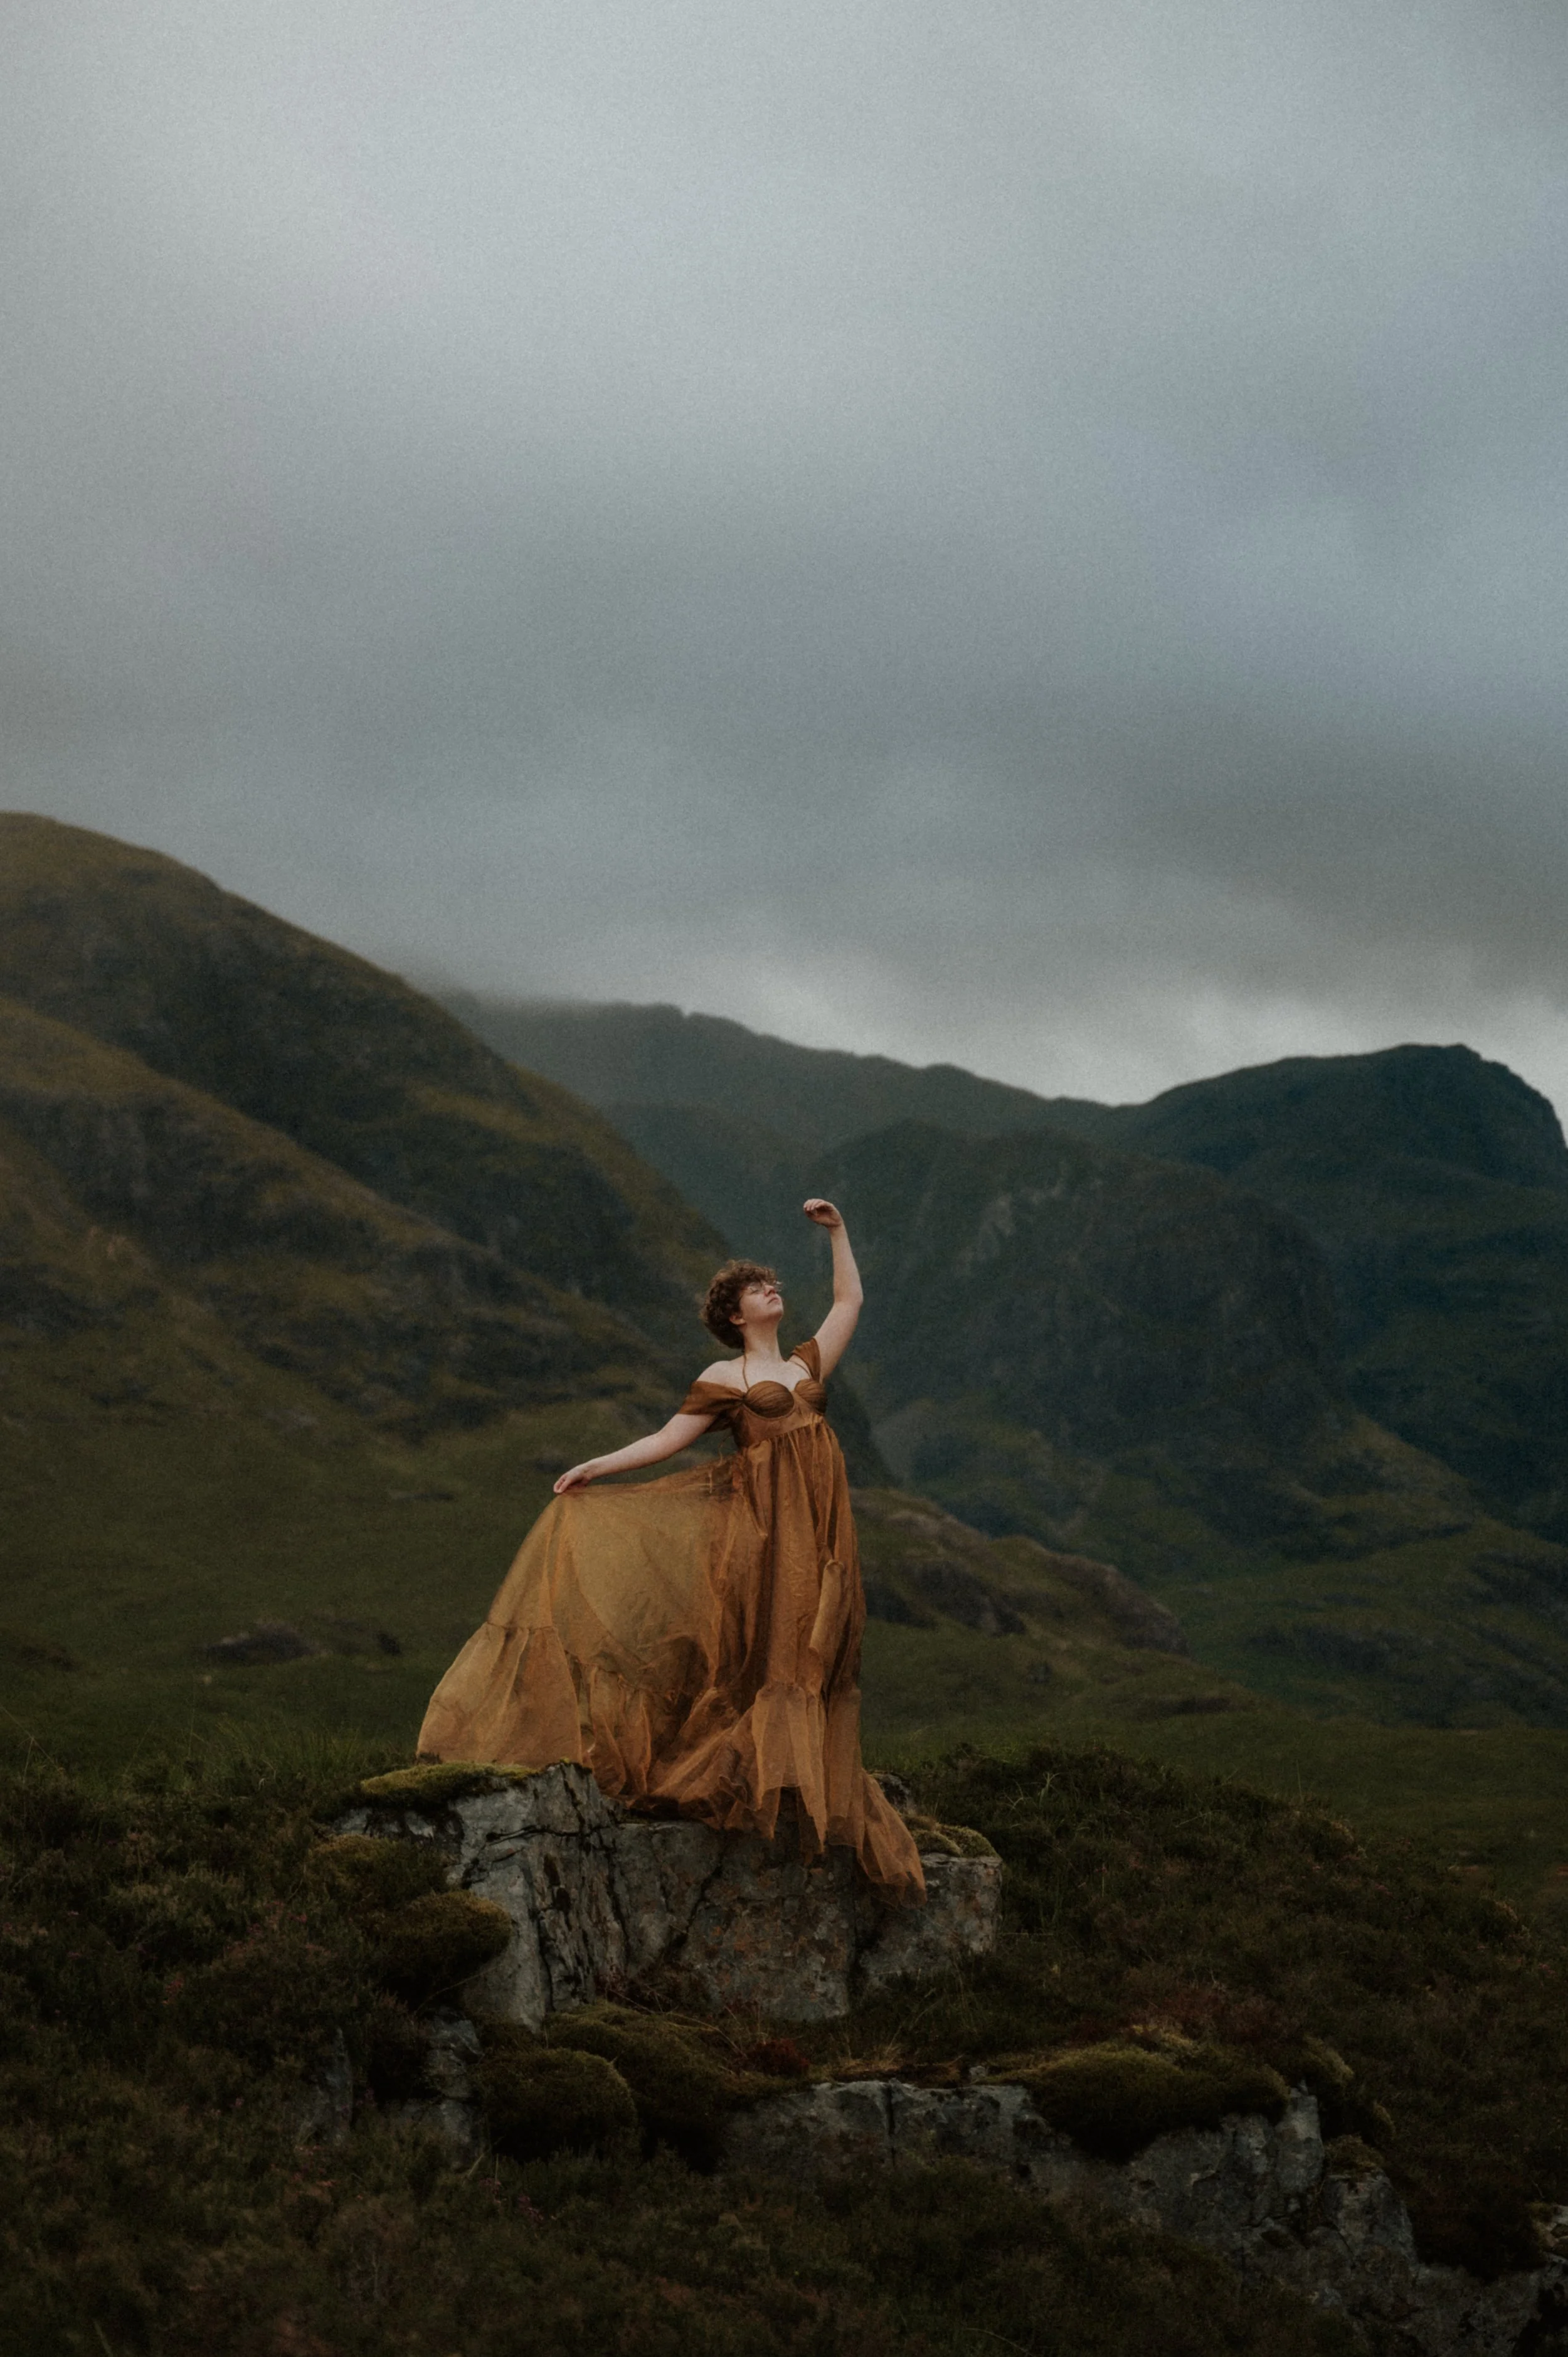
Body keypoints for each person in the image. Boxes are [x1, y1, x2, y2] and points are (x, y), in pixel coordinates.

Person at [416, 1200, 924, 1901]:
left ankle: (804, 1785)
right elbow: (663, 1442)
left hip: (824, 1536)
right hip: (764, 1540)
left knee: (824, 1645)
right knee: (766, 1649)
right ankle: (759, 1786)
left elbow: (850, 1298)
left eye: (773, 1283)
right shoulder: (722, 1380)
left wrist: (838, 1233)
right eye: (757, 1288)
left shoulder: (807, 1363)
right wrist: (596, 1466)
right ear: (736, 1315)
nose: (772, 1290)